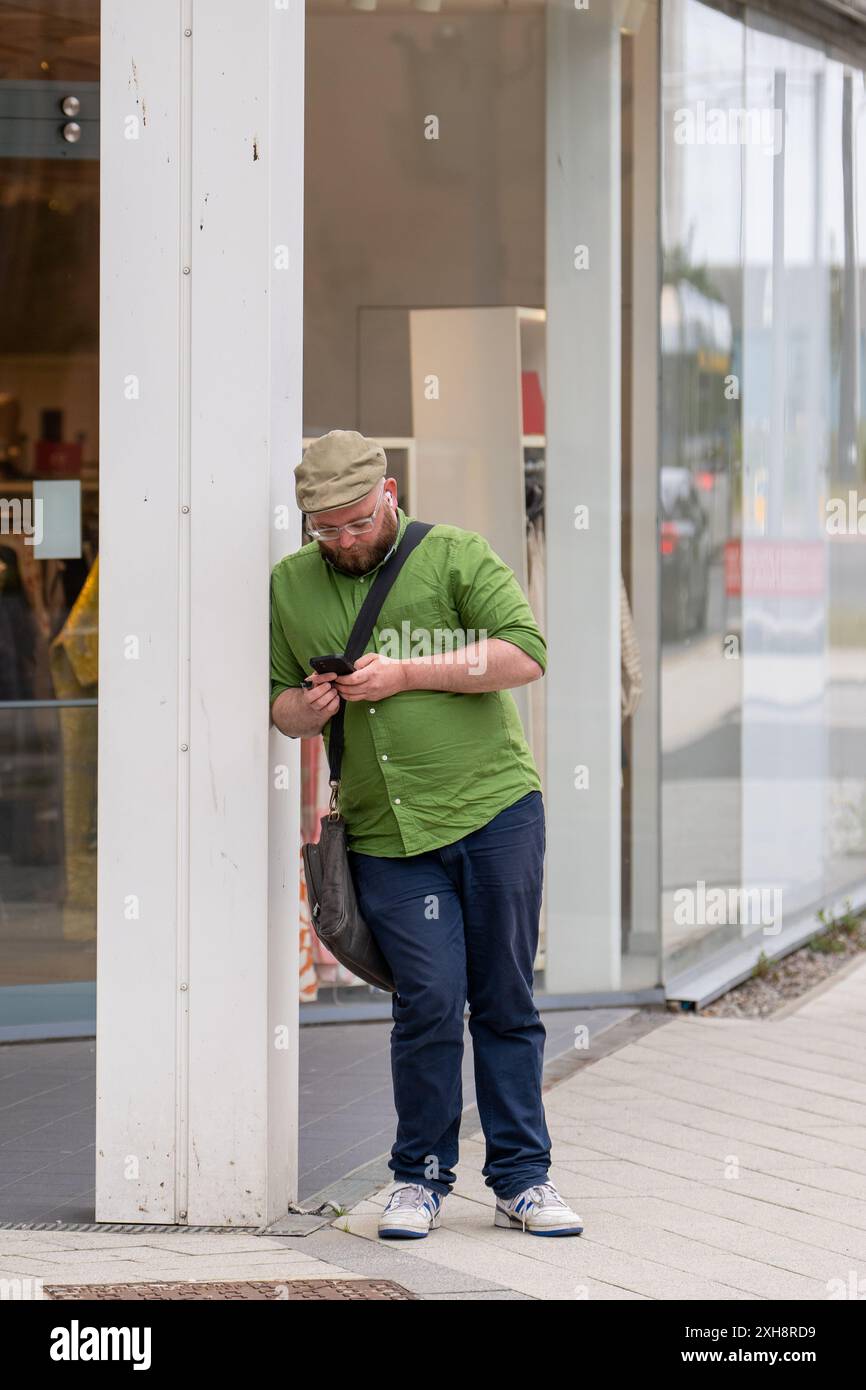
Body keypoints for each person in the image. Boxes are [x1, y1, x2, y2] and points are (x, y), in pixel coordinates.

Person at [270, 430, 583, 1239]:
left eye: (355, 521)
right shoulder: (290, 586)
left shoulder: (453, 556)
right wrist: (311, 709)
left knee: (504, 997)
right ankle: (419, 1178)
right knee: (430, 1002)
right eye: (324, 528)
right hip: (384, 834)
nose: (342, 540)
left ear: (390, 493)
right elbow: (280, 707)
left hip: (493, 812)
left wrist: (405, 673)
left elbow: (526, 654)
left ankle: (523, 1179)